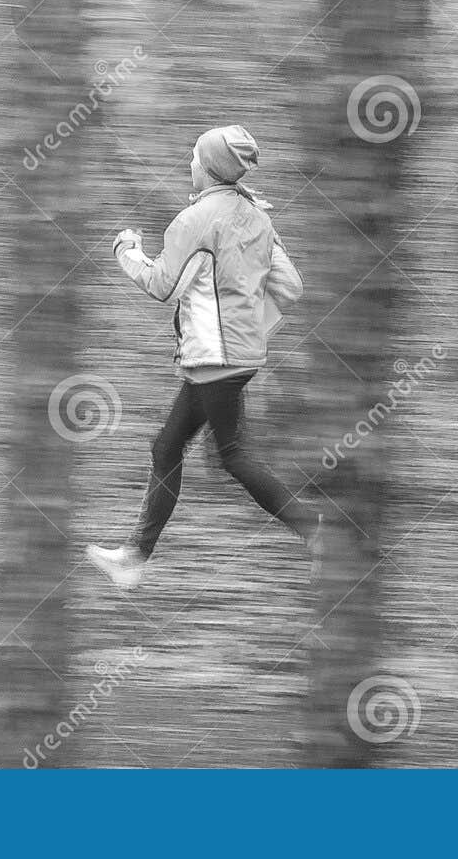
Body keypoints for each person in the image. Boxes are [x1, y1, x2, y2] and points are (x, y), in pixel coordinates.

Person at [85, 125, 318, 589]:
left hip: (215, 357)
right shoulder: (257, 217)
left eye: (194, 156)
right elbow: (291, 287)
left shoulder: (194, 221)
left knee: (232, 456)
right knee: (167, 447)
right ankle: (133, 558)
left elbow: (161, 285)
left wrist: (126, 251)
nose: (190, 163)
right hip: (236, 356)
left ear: (209, 167)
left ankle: (319, 535)